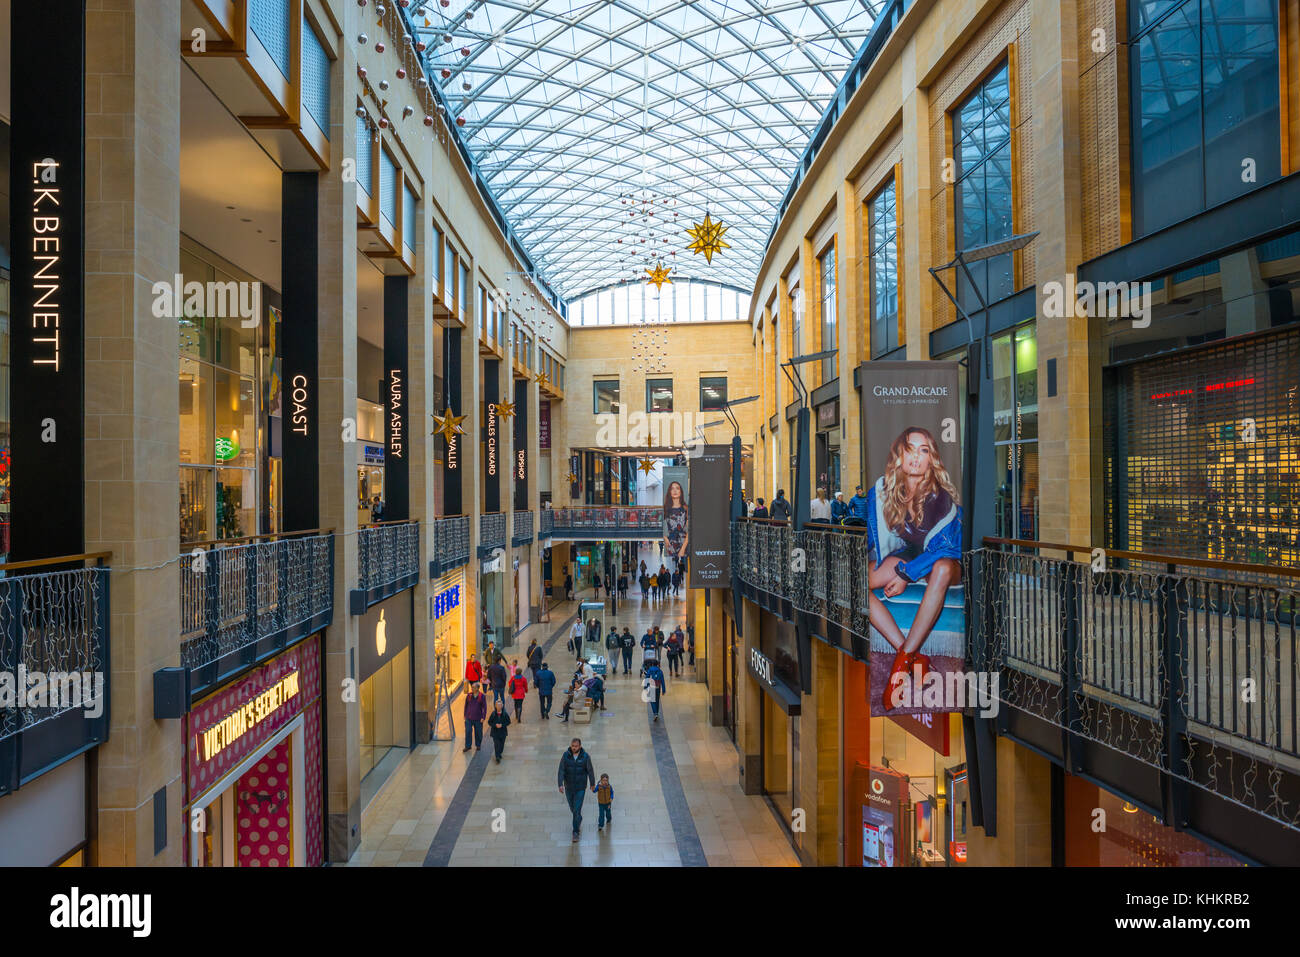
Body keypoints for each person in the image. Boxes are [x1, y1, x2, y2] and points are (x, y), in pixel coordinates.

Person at [865, 427, 964, 711]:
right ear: (900, 455)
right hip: (910, 559)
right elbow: (875, 536)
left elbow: (946, 548)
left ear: (931, 458)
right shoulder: (883, 492)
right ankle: (911, 655)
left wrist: (907, 574)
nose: (917, 457)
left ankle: (900, 666)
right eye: (911, 449)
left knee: (943, 569)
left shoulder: (940, 496)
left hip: (947, 560)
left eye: (924, 451)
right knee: (856, 581)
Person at [558, 738, 597, 841]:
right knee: (572, 808)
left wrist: (592, 783)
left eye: (576, 746)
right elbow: (561, 770)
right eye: (572, 746)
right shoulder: (566, 756)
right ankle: (578, 819)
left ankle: (575, 832)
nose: (574, 747)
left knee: (576, 810)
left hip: (580, 787)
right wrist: (560, 784)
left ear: (580, 746)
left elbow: (590, 770)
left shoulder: (585, 757)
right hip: (569, 787)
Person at [663, 480, 689, 563]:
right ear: (669, 492)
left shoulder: (686, 509)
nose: (674, 491)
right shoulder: (666, 509)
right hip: (671, 543)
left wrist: (683, 548)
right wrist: (665, 539)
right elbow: (661, 526)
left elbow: (689, 530)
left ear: (681, 492)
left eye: (677, 488)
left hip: (683, 542)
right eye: (672, 489)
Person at [462, 683, 487, 752]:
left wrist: (483, 717)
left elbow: (485, 707)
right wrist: (465, 714)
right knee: (468, 731)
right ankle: (468, 746)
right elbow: (466, 705)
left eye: (473, 687)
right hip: (469, 718)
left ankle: (478, 745)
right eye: (472, 687)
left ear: (477, 688)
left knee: (478, 732)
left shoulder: (481, 696)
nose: (471, 688)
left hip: (478, 718)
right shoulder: (469, 695)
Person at [487, 699, 511, 763]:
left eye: (500, 706)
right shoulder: (493, 714)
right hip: (495, 733)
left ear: (502, 706)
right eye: (497, 706)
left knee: (501, 745)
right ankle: (497, 756)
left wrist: (502, 725)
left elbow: (508, 722)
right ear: (495, 706)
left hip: (503, 733)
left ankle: (499, 753)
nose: (499, 707)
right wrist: (495, 725)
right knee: (496, 744)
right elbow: (489, 722)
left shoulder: (505, 714)